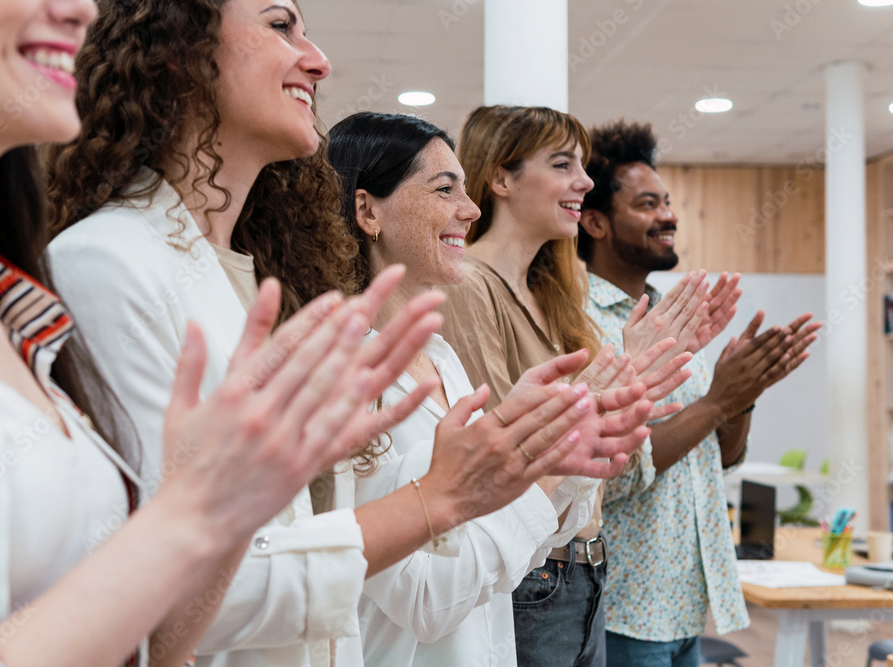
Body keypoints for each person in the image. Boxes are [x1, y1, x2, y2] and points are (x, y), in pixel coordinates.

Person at [44, 2, 614, 665]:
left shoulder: (260, 282)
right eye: (280, 25)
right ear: (179, 50)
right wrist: (450, 494)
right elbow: (167, 586)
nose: (319, 60)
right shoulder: (109, 261)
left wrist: (524, 463)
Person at [0, 0, 421, 665]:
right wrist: (436, 502)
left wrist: (209, 514)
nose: (78, 9)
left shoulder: (15, 312)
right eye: (280, 25)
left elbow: (151, 641)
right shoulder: (93, 266)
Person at [326, 111, 660, 666]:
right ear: (367, 210)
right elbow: (426, 600)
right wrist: (548, 458)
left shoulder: (440, 358)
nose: (472, 209)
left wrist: (568, 455)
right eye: (444, 189)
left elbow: (514, 551)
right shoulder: (343, 372)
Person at [441, 105, 739, 667]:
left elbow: (601, 459)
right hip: (533, 576)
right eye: (562, 165)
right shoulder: (470, 287)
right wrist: (621, 378)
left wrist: (638, 379)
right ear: (500, 179)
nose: (584, 182)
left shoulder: (550, 294)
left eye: (582, 165)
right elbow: (506, 461)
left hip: (583, 570)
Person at [577, 119, 821, 667]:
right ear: (594, 221)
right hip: (620, 612)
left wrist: (741, 395)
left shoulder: (679, 312)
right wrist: (716, 402)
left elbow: (723, 458)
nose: (668, 216)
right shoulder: (579, 323)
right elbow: (601, 481)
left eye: (666, 201)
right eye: (646, 204)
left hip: (688, 606)